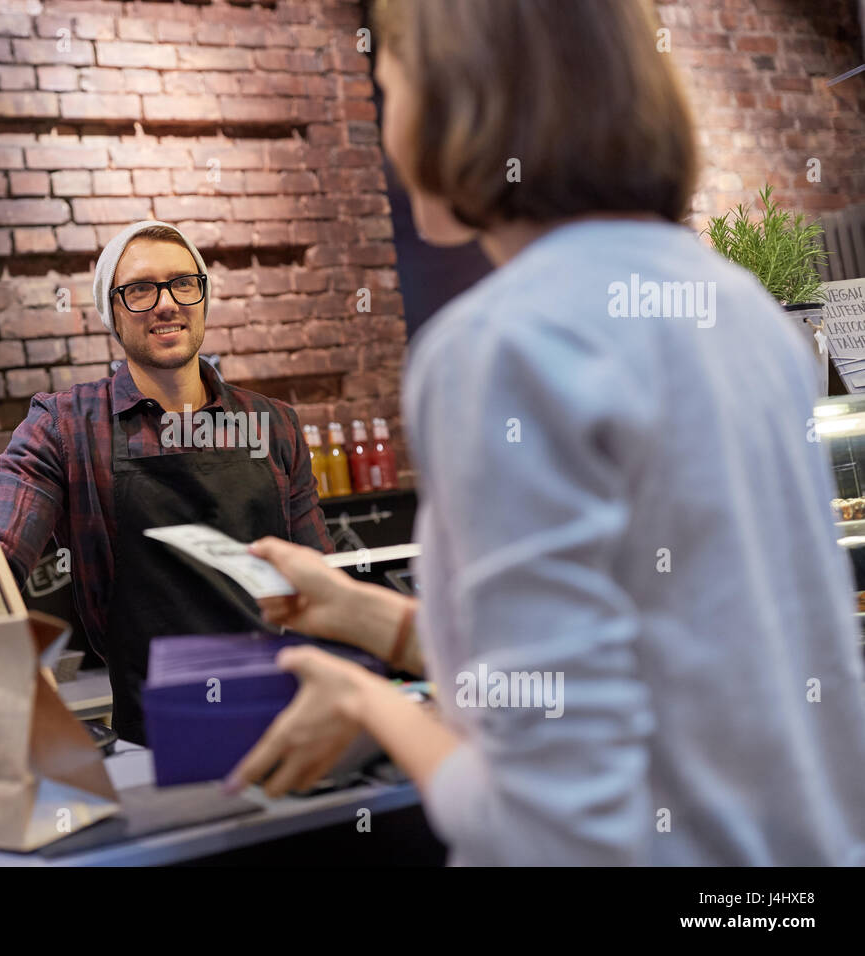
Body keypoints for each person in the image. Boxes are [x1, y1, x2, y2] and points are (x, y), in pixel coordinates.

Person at [225, 0, 865, 865]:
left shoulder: (503, 345)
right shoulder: (740, 310)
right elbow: (667, 664)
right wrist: (373, 620)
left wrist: (370, 708)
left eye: (389, 82)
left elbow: (552, 830)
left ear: (459, 97)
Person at [0, 220, 333, 744]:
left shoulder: (273, 425)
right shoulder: (64, 427)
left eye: (182, 283)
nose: (166, 304)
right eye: (140, 290)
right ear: (113, 313)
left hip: (284, 724)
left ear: (203, 296)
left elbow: (323, 587)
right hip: (150, 739)